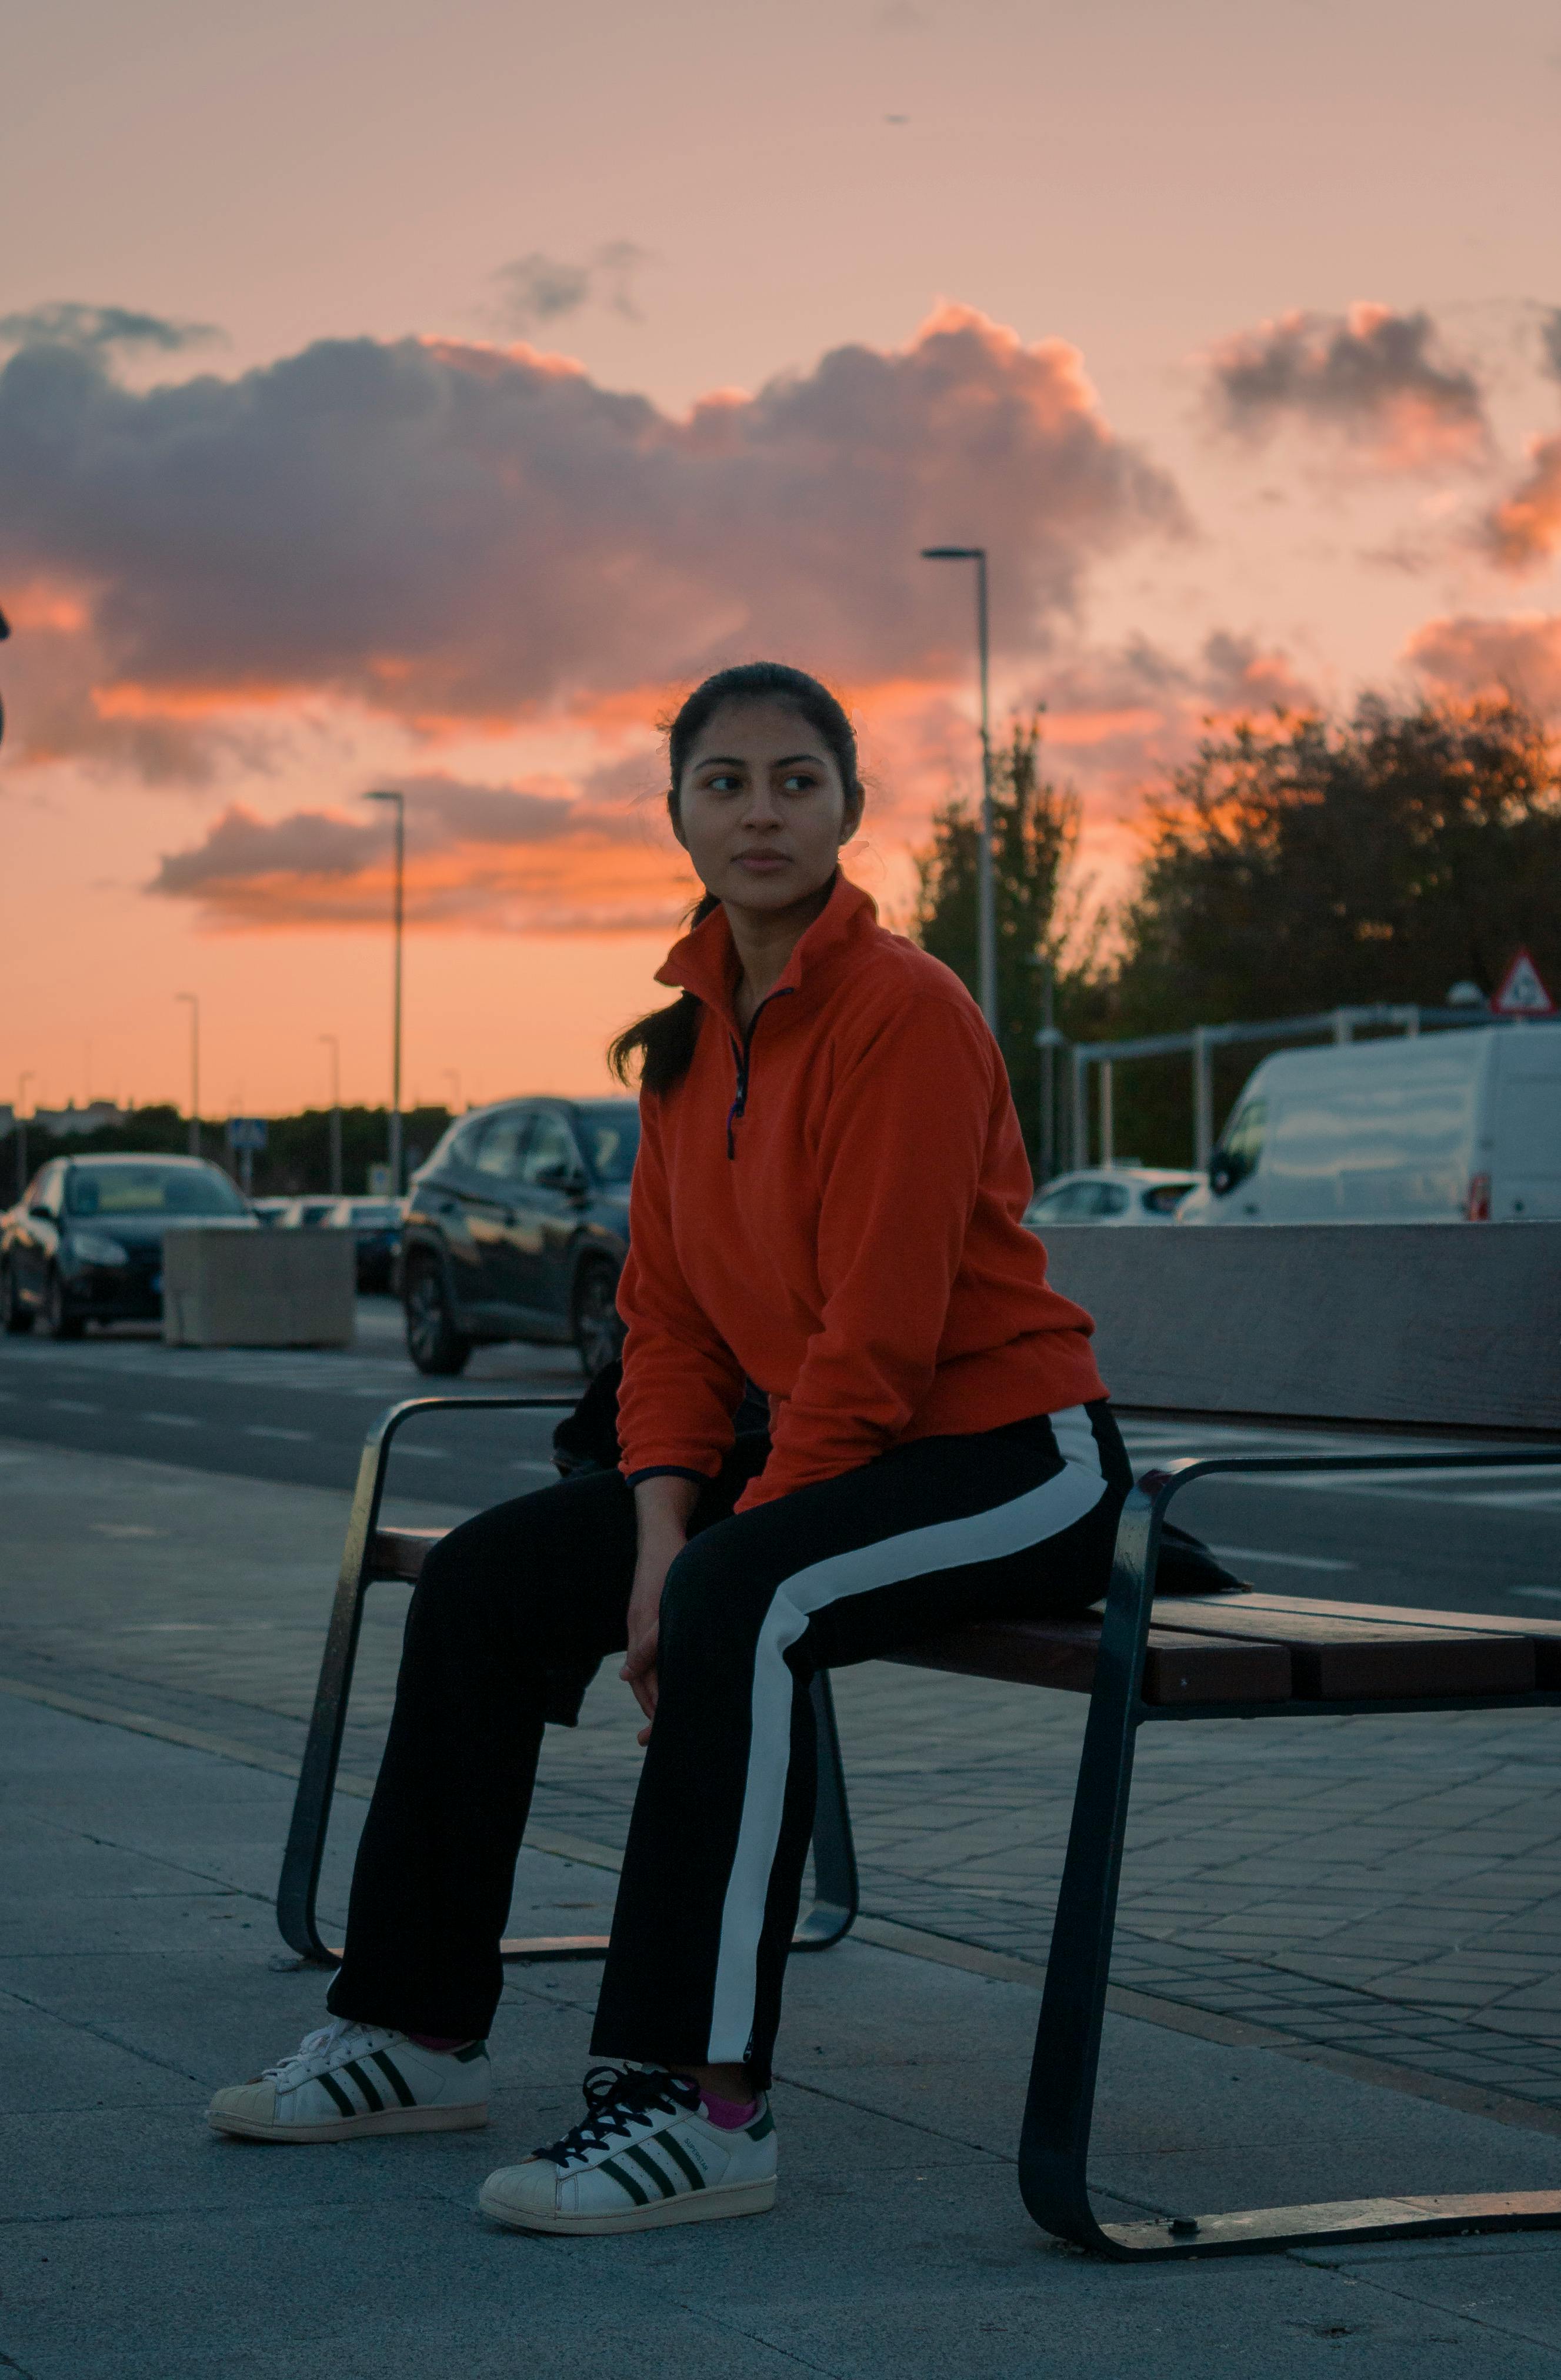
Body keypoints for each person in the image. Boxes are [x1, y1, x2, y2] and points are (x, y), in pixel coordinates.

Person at [208, 661, 1129, 2235]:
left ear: (847, 807)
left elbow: (880, 1343)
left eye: (794, 780)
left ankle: (698, 2103)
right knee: (493, 1578)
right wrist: (656, 1541)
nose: (759, 810)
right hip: (841, 1464)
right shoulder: (684, 1051)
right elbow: (672, 1333)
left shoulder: (904, 1012)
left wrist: (716, 1561)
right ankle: (414, 2031)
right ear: (678, 815)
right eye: (725, 781)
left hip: (1013, 1459)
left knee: (741, 1603)